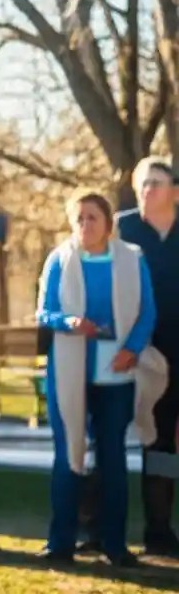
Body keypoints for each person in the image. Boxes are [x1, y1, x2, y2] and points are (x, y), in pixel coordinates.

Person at [37, 190, 158, 567]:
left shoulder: (131, 259)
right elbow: (45, 312)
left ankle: (114, 544)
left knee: (113, 459)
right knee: (68, 456)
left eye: (92, 217)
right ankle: (61, 543)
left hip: (117, 374)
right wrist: (68, 322)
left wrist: (132, 349)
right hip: (70, 371)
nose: (85, 225)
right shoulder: (60, 259)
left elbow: (147, 312)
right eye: (79, 218)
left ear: (108, 222)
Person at [118, 156, 179, 557]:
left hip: (175, 353)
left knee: (162, 445)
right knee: (103, 435)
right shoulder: (122, 227)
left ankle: (159, 529)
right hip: (130, 349)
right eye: (142, 183)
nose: (147, 190)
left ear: (175, 192)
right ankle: (94, 529)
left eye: (156, 183)